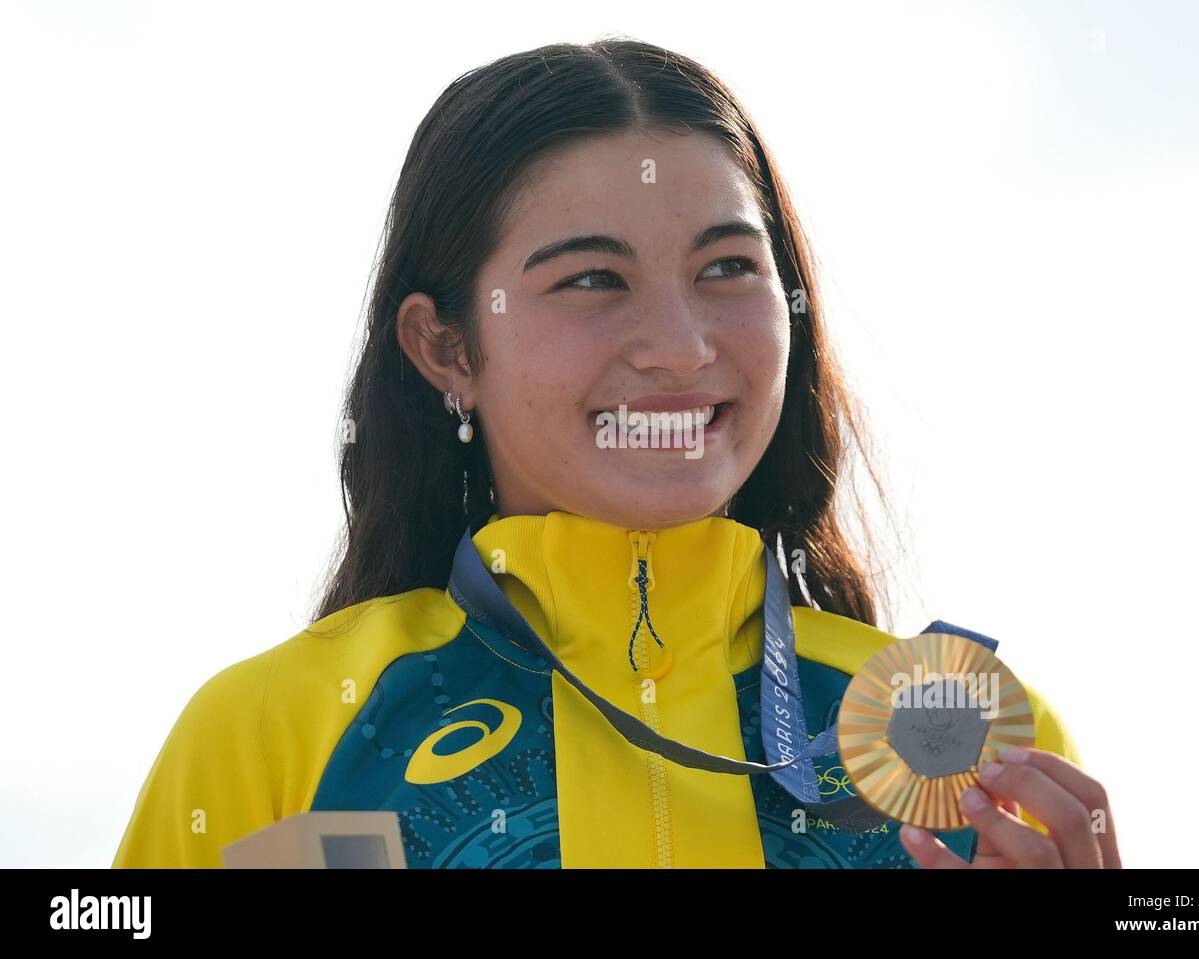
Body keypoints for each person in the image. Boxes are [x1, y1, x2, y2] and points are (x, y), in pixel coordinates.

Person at [112, 37, 1119, 869]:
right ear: (446, 347)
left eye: (726, 266)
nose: (681, 345)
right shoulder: (276, 733)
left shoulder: (974, 738)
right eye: (592, 279)